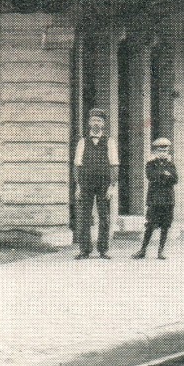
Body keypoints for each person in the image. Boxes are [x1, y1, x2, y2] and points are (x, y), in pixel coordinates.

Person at [72, 108, 117, 258]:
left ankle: (103, 250)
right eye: (93, 120)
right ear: (89, 123)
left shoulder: (110, 141)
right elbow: (77, 165)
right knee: (84, 216)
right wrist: (78, 186)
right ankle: (84, 250)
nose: (96, 123)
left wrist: (112, 186)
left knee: (104, 216)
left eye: (99, 120)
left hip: (104, 183)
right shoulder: (82, 141)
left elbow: (114, 164)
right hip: (85, 183)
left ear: (103, 124)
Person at [133, 138, 179, 259]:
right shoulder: (151, 164)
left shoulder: (171, 164)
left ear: (168, 151)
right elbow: (151, 176)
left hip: (168, 199)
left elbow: (175, 179)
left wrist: (163, 175)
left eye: (165, 150)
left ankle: (161, 251)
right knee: (150, 225)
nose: (163, 153)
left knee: (165, 225)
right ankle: (142, 250)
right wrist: (165, 174)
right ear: (156, 152)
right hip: (155, 199)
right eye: (160, 150)